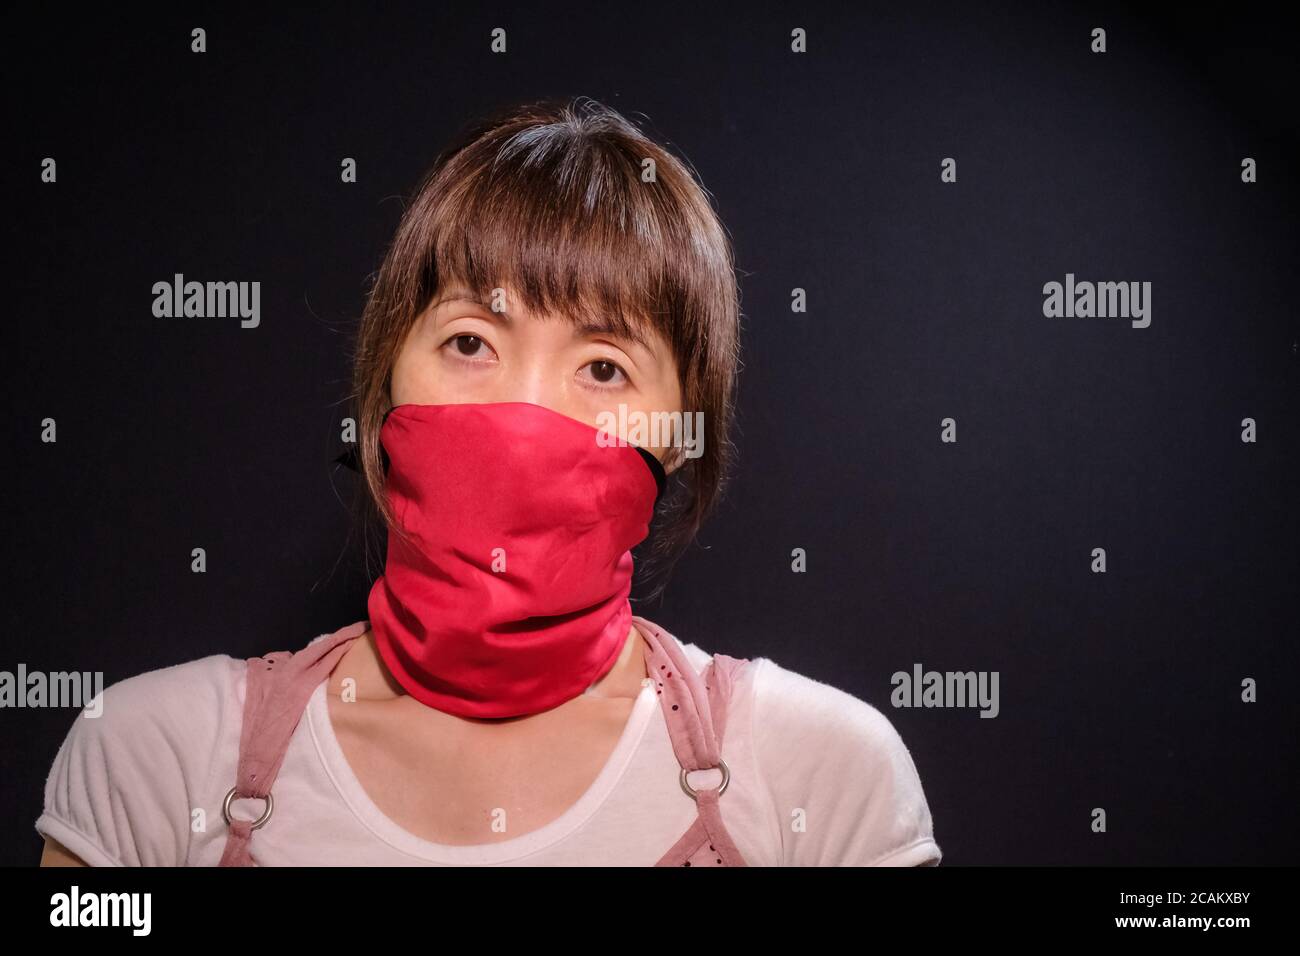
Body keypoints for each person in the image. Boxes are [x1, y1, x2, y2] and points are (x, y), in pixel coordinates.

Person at [36, 96, 942, 867]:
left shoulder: (822, 777)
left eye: (603, 368)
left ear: (677, 436)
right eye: (470, 342)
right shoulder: (151, 761)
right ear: (386, 384)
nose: (522, 413)